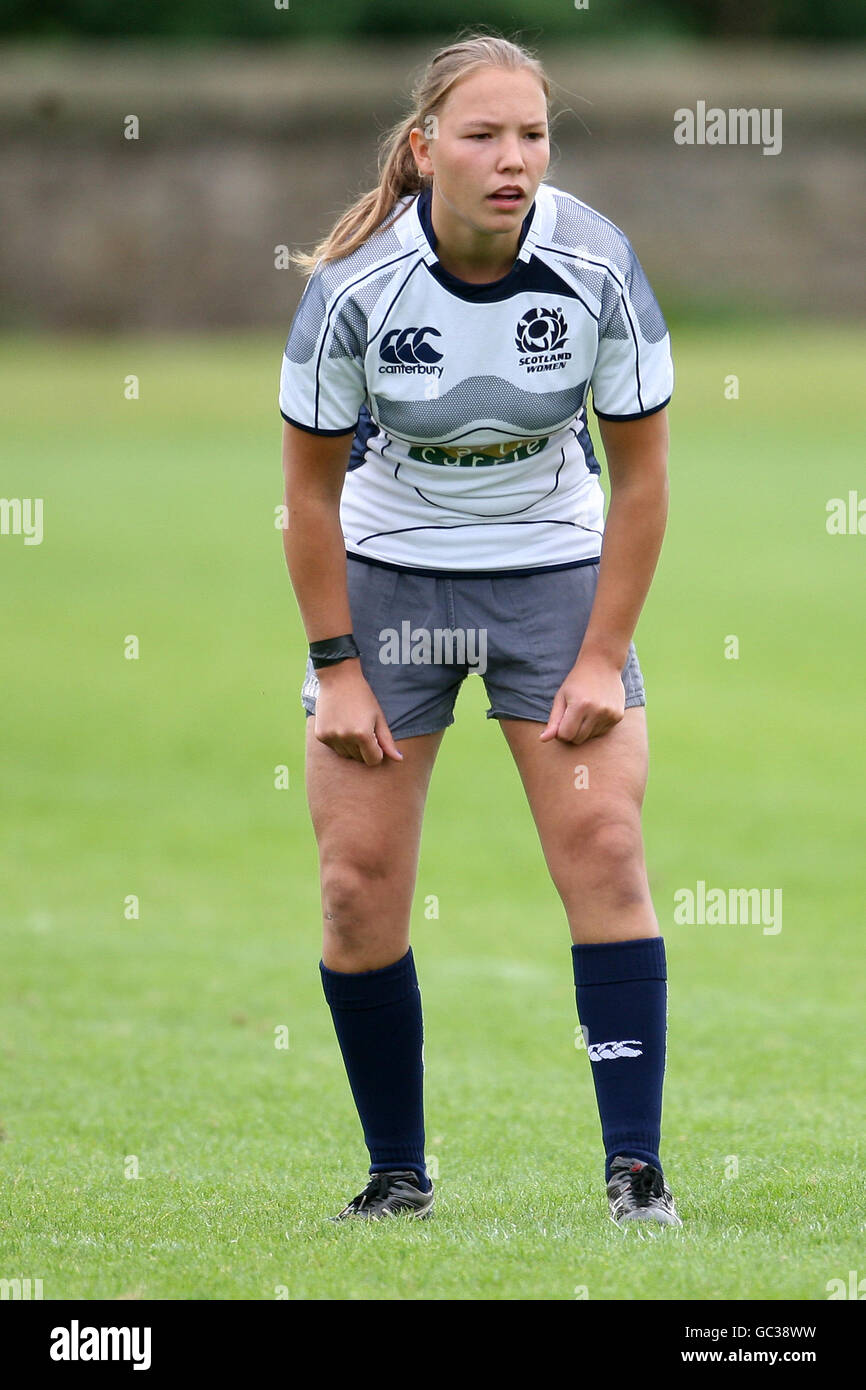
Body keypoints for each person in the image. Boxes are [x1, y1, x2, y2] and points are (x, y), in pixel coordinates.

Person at [279, 31, 681, 1228]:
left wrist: (603, 652)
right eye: (483, 135)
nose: (513, 160)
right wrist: (336, 667)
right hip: (385, 583)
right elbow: (305, 497)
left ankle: (634, 1175)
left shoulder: (595, 263)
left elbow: (643, 476)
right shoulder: (354, 289)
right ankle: (396, 1176)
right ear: (424, 150)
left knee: (604, 850)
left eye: (532, 135)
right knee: (355, 890)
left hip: (552, 577)